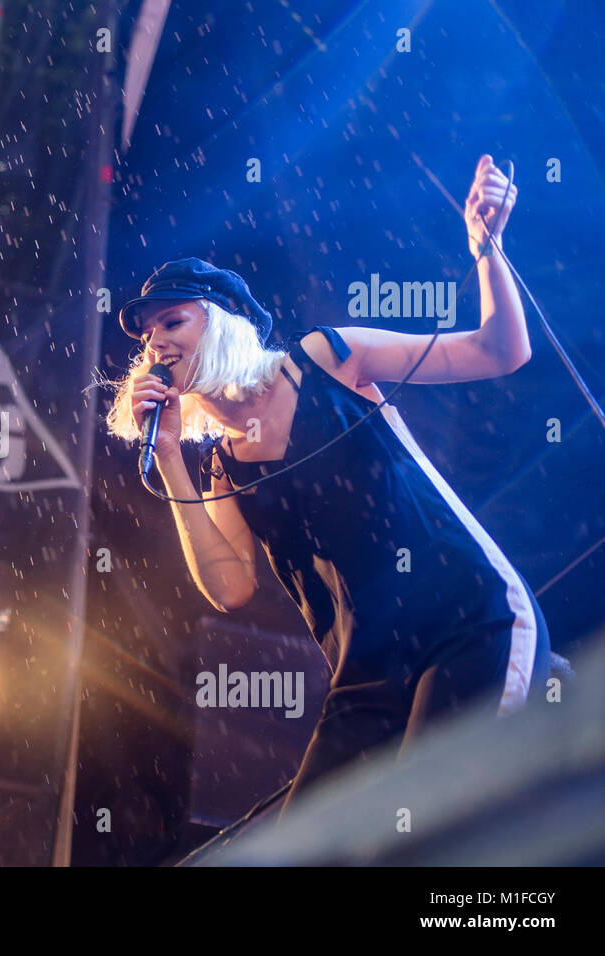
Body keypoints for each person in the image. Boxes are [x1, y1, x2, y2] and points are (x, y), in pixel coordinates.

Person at [106, 155, 551, 817]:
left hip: (467, 617)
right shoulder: (224, 465)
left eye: (174, 322)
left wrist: (487, 249)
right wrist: (169, 455)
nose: (156, 344)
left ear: (224, 322)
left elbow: (500, 350)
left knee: (430, 829)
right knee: (304, 844)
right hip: (367, 672)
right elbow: (230, 588)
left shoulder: (325, 358)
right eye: (147, 335)